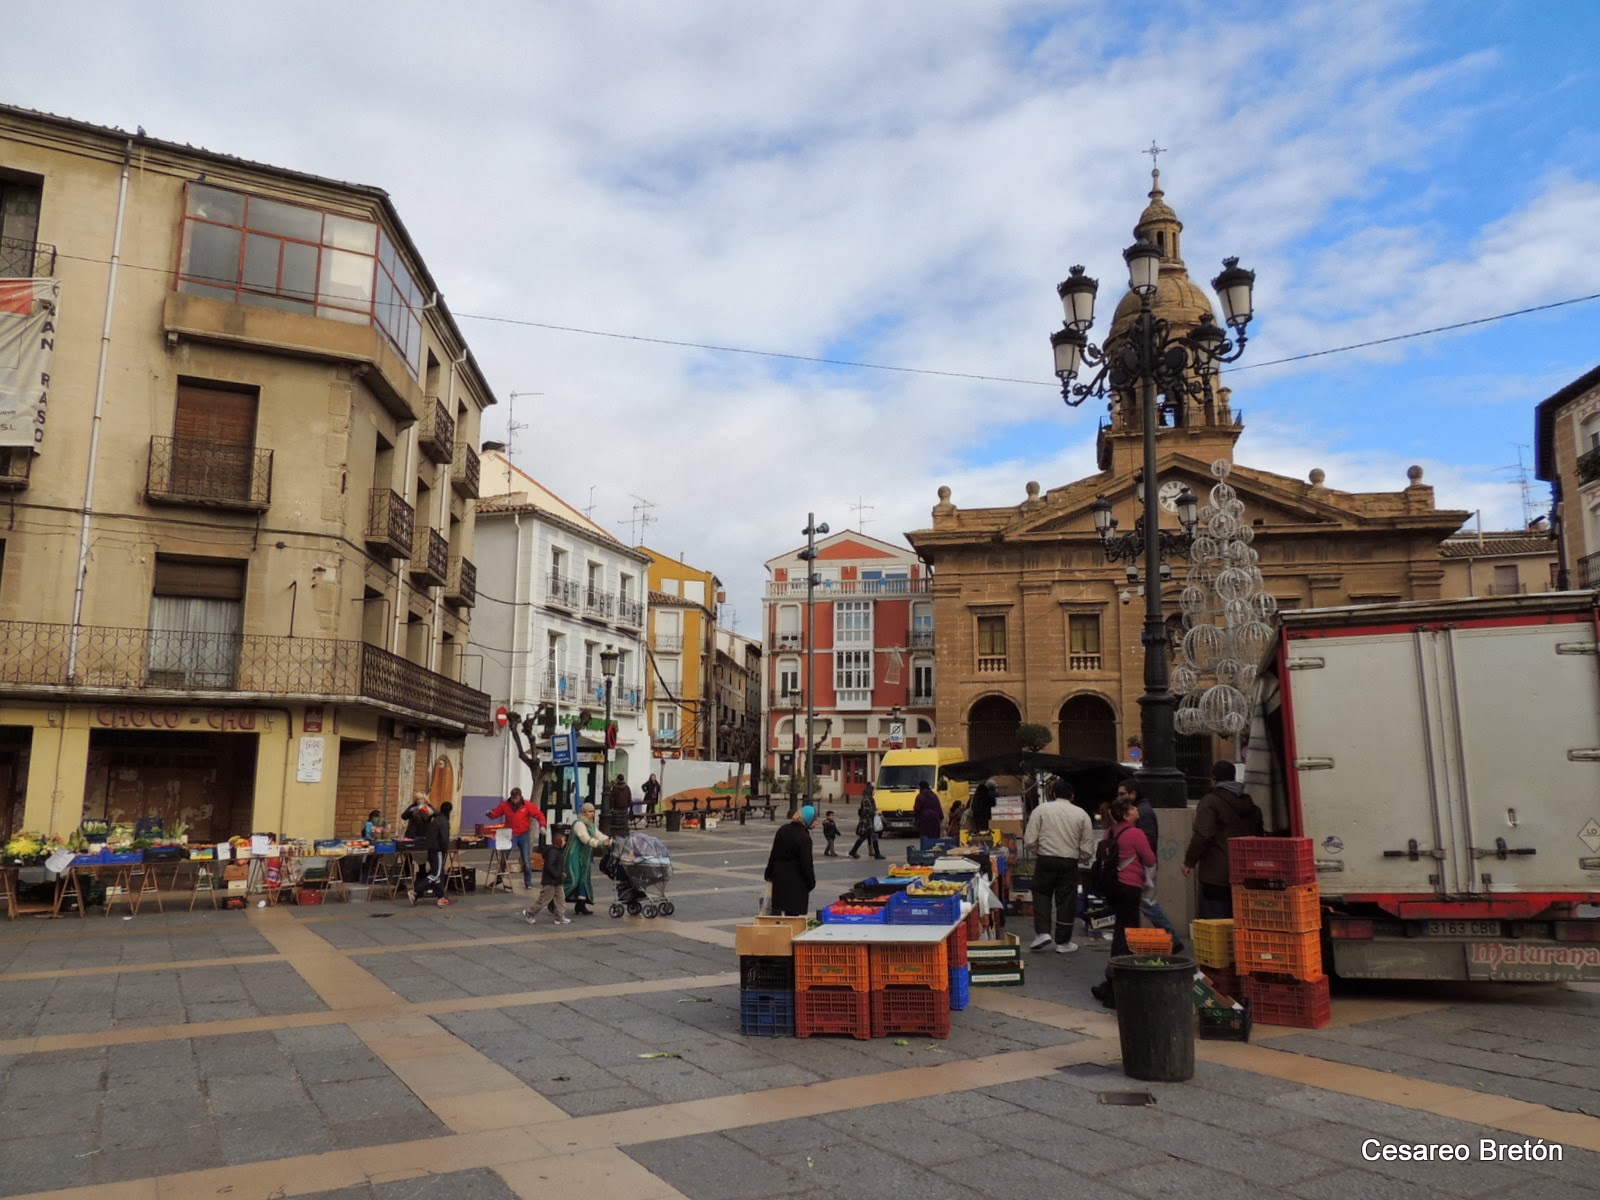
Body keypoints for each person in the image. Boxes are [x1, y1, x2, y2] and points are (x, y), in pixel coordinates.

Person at [1090, 795, 1157, 1008]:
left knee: (1120, 931)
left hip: (1113, 886)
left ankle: (1109, 984)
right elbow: (1150, 859)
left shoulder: (1111, 831)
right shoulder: (1135, 833)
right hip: (1130, 886)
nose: (1137, 810)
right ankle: (1115, 988)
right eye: (1133, 808)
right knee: (1127, 936)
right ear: (1127, 814)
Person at [1183, 761, 1265, 919]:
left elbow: (1203, 835)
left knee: (1215, 921)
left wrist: (1189, 861)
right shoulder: (1249, 803)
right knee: (1240, 920)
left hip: (1216, 874)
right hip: (1245, 870)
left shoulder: (1210, 801)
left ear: (1213, 779)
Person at [1022, 780, 1095, 954]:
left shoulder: (1041, 810)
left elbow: (1030, 840)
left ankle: (1042, 932)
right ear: (1072, 796)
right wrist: (1082, 857)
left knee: (1041, 893)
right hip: (1069, 861)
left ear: (1053, 794)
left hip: (1045, 859)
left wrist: (1039, 850)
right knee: (1066, 899)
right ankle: (1063, 941)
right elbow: (1087, 845)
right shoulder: (1081, 814)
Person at [1118, 779, 1184, 954]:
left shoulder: (1142, 813)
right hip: (1140, 867)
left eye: (1123, 793)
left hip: (1141, 867)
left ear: (1133, 794)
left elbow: (1147, 844)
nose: (1121, 797)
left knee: (1147, 903)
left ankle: (1173, 939)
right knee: (1143, 903)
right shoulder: (1140, 812)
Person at [486, 787, 549, 890]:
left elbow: (538, 814)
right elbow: (496, 814)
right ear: (511, 797)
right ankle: (499, 879)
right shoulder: (505, 805)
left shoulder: (527, 805)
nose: (515, 800)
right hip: (509, 834)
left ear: (520, 797)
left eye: (517, 798)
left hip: (523, 834)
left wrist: (542, 825)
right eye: (513, 798)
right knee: (503, 859)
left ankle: (528, 882)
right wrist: (490, 814)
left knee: (526, 860)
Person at [764, 806, 817, 916]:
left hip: (779, 877)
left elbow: (774, 853)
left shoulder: (783, 829)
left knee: (777, 914)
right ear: (807, 819)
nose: (817, 822)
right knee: (793, 917)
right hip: (796, 881)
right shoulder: (804, 837)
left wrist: (769, 873)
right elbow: (806, 863)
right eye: (815, 819)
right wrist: (811, 882)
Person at [565, 802, 610, 916]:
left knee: (584, 879)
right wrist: (600, 844)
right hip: (574, 855)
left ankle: (581, 904)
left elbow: (598, 834)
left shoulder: (590, 824)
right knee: (574, 879)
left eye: (593, 811)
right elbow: (585, 838)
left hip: (584, 856)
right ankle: (555, 898)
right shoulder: (579, 824)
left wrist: (609, 840)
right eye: (590, 811)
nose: (593, 814)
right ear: (584, 813)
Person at [522, 827, 571, 925]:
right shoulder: (553, 852)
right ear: (559, 841)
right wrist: (558, 874)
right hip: (551, 881)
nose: (565, 842)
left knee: (560, 898)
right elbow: (550, 865)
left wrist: (560, 873)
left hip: (556, 880)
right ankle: (530, 912)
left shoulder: (556, 851)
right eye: (564, 840)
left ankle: (560, 916)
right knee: (544, 899)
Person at [409, 801, 452, 908]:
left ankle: (441, 897)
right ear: (449, 811)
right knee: (436, 874)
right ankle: (415, 891)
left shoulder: (436, 820)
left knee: (439, 873)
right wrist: (444, 850)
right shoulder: (444, 821)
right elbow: (445, 839)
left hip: (431, 849)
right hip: (437, 850)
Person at [848, 784, 883, 859]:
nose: (874, 792)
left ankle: (853, 851)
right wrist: (876, 812)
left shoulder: (870, 798)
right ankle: (877, 854)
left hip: (869, 821)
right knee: (870, 836)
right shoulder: (866, 799)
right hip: (867, 821)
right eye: (873, 790)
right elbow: (867, 811)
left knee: (866, 837)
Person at [912, 781, 944, 851]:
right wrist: (941, 817)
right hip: (935, 819)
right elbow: (938, 807)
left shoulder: (920, 796)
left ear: (921, 787)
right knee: (935, 837)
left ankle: (925, 853)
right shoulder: (934, 796)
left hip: (925, 820)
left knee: (925, 838)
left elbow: (917, 809)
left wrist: (916, 819)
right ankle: (935, 852)